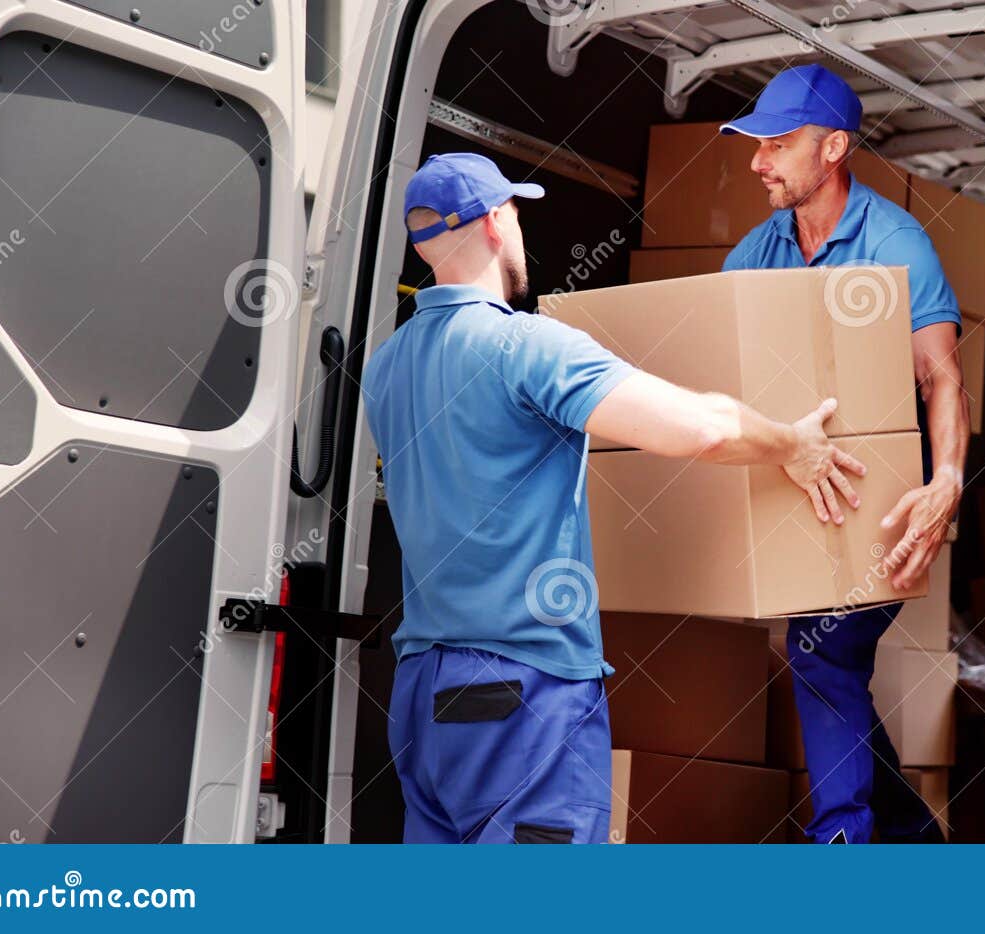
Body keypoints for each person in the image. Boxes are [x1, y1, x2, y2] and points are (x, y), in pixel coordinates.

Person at [361, 152, 866, 844]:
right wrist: (792, 446)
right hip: (522, 690)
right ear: (491, 225)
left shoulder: (387, 365)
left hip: (422, 692)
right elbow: (704, 430)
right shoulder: (525, 346)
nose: (518, 227)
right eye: (513, 211)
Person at [721, 64, 968, 843]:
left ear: (833, 147)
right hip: (795, 497)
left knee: (820, 650)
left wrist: (949, 478)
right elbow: (713, 362)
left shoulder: (895, 242)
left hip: (881, 502)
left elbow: (941, 374)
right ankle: (917, 845)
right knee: (825, 665)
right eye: (756, 144)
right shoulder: (756, 253)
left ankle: (842, 847)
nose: (759, 160)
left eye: (778, 143)